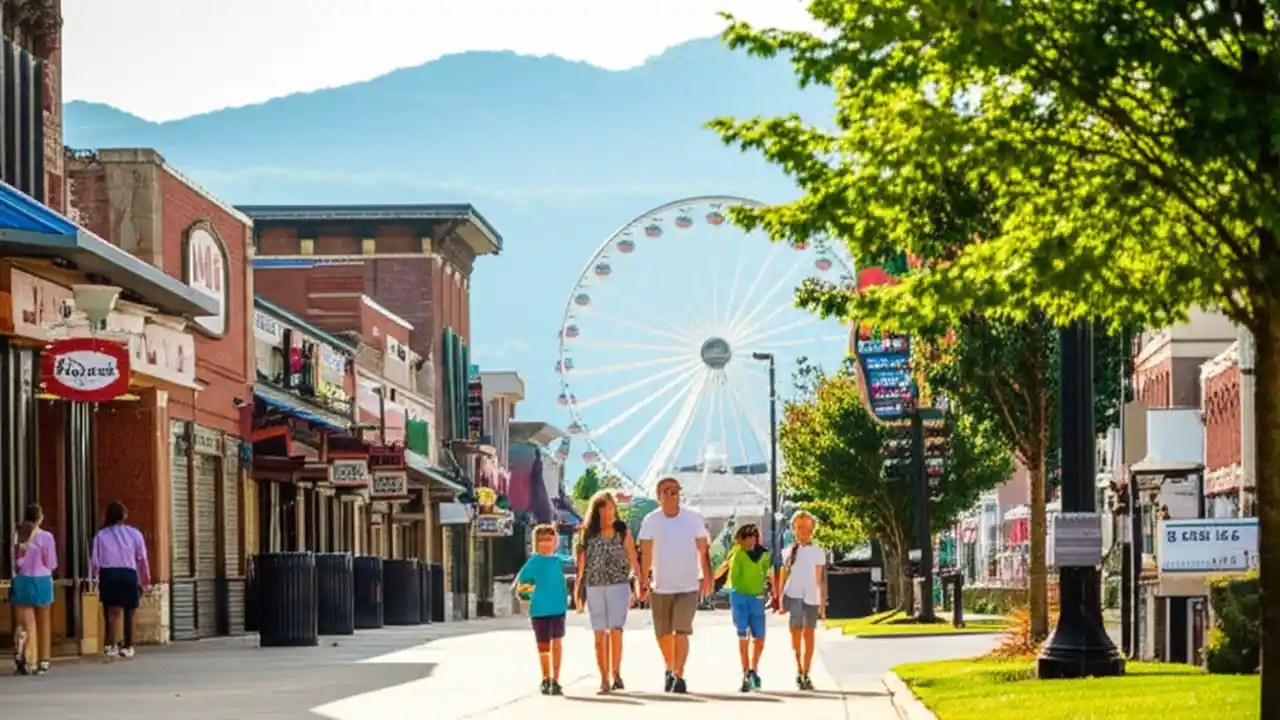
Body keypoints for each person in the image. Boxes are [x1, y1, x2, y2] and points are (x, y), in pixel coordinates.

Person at [637, 476, 712, 694]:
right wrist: (643, 581)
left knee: (681, 632)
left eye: (675, 491)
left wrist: (707, 576)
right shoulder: (651, 521)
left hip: (688, 585)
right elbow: (646, 554)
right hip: (661, 585)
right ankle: (670, 668)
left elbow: (703, 550)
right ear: (658, 496)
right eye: (667, 491)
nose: (672, 495)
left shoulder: (693, 519)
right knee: (663, 634)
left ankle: (679, 675)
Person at [575, 490, 639, 694]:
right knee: (599, 633)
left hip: (618, 585)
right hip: (594, 586)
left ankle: (616, 673)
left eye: (611, 507)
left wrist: (638, 582)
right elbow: (581, 566)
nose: (608, 512)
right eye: (603, 507)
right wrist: (578, 592)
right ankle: (603, 678)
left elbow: (632, 557)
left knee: (616, 630)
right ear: (596, 510)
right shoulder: (586, 532)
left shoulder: (622, 531)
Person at [91, 501, 151, 660]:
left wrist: (95, 578)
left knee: (110, 610)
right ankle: (128, 645)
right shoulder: (134, 533)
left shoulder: (101, 535)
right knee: (129, 610)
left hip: (108, 573)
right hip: (128, 573)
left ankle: (110, 644)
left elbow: (95, 561)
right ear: (124, 516)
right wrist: (144, 579)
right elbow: (142, 558)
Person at [517, 523, 570, 696]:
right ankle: (546, 677)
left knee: (557, 642)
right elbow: (523, 584)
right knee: (543, 646)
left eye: (549, 539)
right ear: (535, 543)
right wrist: (527, 596)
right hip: (539, 610)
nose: (546, 544)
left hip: (558, 608)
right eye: (541, 540)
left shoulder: (559, 561)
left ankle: (556, 679)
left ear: (555, 542)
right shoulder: (533, 563)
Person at [777, 511, 827, 690]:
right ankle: (799, 669)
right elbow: (783, 576)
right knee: (796, 633)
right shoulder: (788, 552)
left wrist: (822, 604)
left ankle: (807, 672)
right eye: (799, 528)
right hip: (794, 596)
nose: (803, 531)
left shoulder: (818, 552)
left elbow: (819, 580)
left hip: (811, 597)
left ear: (812, 529)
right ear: (794, 530)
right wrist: (780, 600)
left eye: (806, 527)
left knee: (809, 634)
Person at [718, 523, 771, 692]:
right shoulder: (738, 555)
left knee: (760, 638)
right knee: (743, 635)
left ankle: (754, 669)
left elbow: (767, 573)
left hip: (757, 598)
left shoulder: (763, 555)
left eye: (753, 536)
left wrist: (769, 591)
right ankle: (746, 672)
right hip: (740, 598)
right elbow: (733, 576)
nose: (750, 541)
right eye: (746, 537)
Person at [11, 503, 56, 676]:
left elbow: (16, 561)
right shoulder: (46, 537)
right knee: (43, 621)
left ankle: (29, 659)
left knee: (27, 623)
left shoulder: (19, 535)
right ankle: (43, 659)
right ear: (40, 517)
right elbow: (50, 562)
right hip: (42, 579)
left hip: (22, 580)